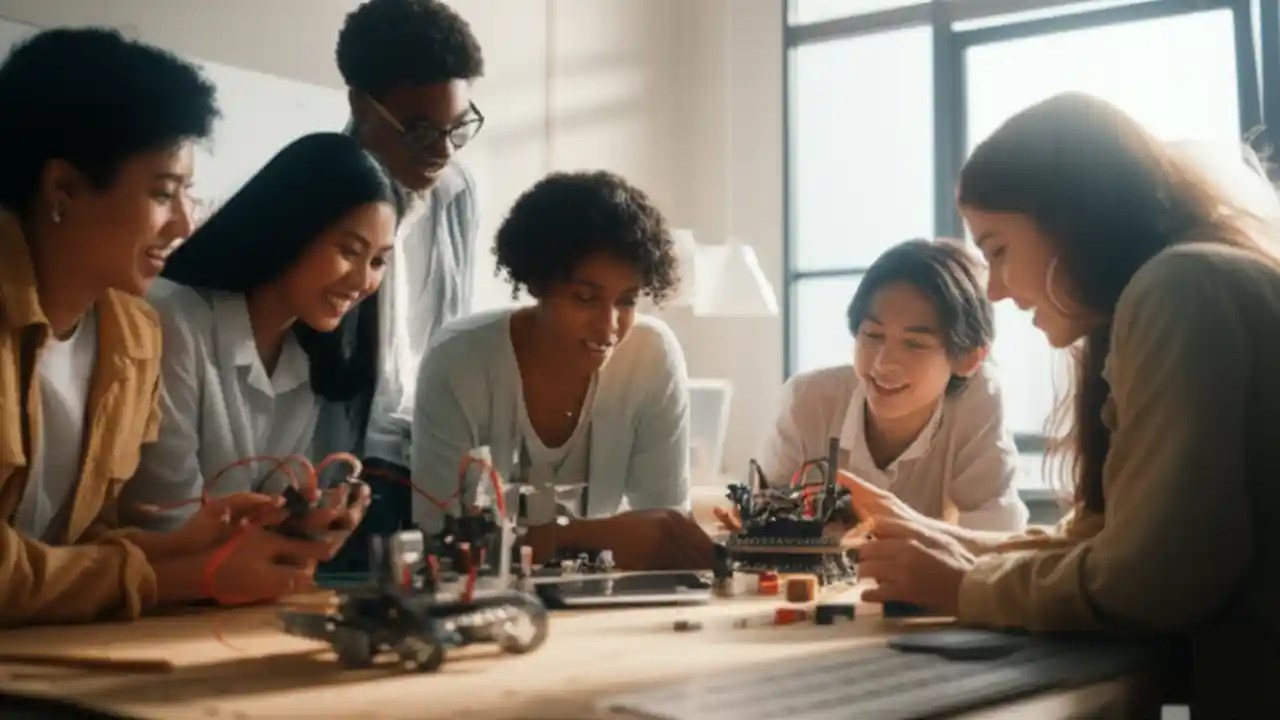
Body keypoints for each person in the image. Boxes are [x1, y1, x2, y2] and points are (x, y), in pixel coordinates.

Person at [850, 93, 1280, 715]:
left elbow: (1150, 582)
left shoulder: (1180, 289)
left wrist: (964, 584)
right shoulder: (1191, 282)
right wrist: (946, 543)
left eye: (997, 249)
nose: (993, 290)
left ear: (1072, 223)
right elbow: (1109, 541)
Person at [0, 28, 326, 626]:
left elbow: (73, 550)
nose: (182, 223)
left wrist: (192, 542)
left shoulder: (134, 335)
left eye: (187, 195)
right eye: (162, 193)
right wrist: (188, 575)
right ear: (64, 189)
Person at [413, 171, 712, 570]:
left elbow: (665, 534)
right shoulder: (458, 360)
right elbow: (438, 537)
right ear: (537, 283)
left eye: (626, 301)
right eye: (586, 298)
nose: (609, 326)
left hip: (599, 601)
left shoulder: (652, 355)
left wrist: (553, 539)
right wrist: (588, 536)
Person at [122, 134, 396, 570]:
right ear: (291, 229)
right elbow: (166, 522)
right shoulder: (169, 320)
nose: (363, 280)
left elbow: (278, 513)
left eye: (379, 261)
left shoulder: (313, 360)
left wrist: (311, 525)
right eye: (349, 251)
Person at [317, 0, 485, 548]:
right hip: (339, 464)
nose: (440, 151)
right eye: (418, 131)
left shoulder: (456, 193)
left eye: (456, 128)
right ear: (361, 106)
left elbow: (453, 327)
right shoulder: (319, 194)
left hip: (423, 458)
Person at [754, 239, 1026, 531]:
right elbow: (760, 519)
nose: (883, 363)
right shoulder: (807, 400)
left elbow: (997, 534)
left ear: (969, 359)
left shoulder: (977, 399)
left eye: (914, 344)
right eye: (872, 335)